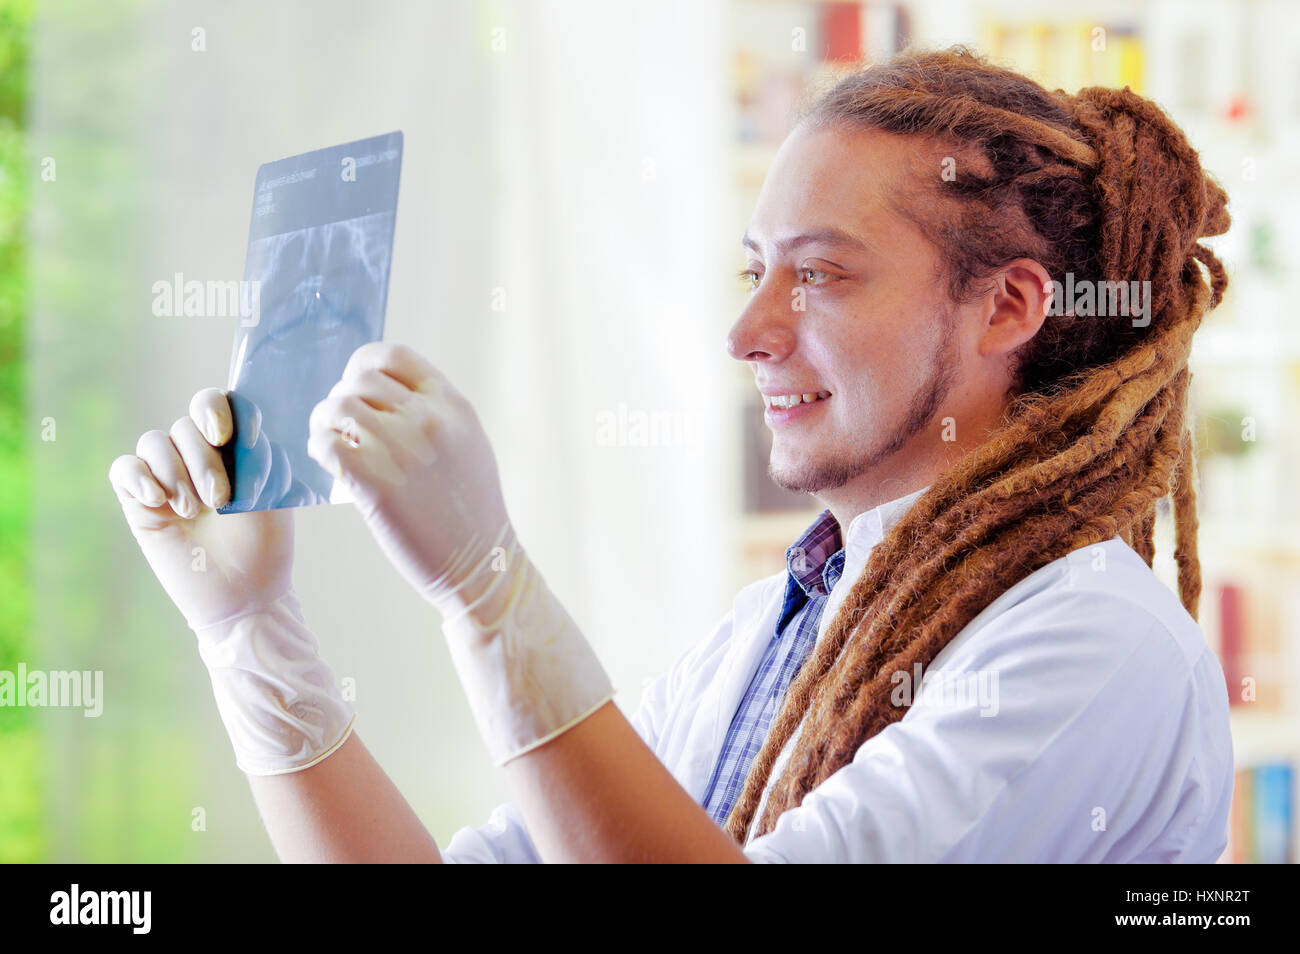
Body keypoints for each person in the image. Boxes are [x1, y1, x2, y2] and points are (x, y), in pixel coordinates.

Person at [108, 46, 1234, 862]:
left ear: (1006, 309)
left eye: (822, 273)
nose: (749, 333)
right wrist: (253, 641)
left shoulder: (1090, 643)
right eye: (755, 270)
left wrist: (491, 592)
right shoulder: (764, 632)